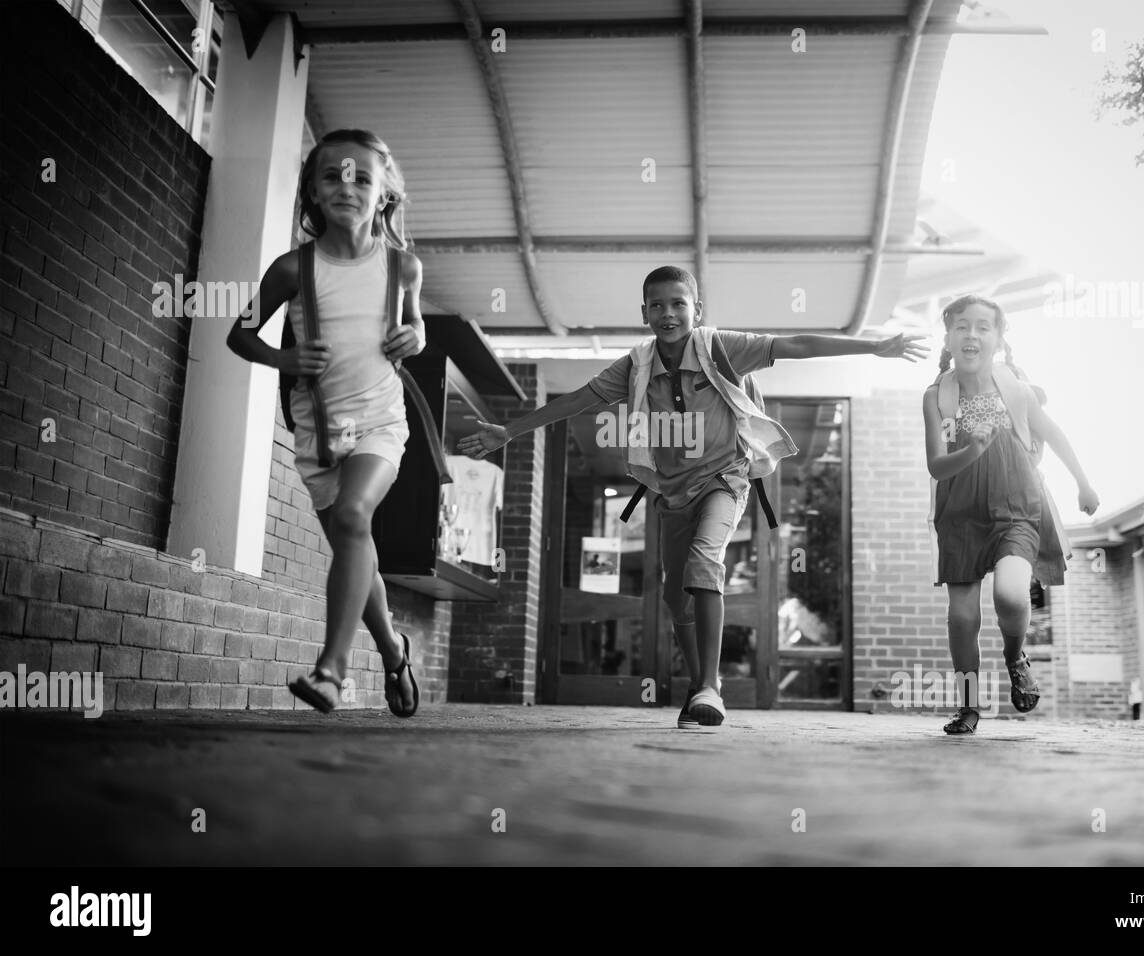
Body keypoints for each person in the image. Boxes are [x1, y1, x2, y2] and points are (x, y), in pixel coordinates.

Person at [459, 265, 928, 729]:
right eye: (658, 305)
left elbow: (797, 345)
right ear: (644, 313)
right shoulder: (637, 365)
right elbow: (578, 400)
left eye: (679, 304)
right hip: (672, 492)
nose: (669, 313)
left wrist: (874, 346)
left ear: (697, 309)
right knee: (673, 597)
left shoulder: (719, 347)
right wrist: (510, 430)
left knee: (706, 561)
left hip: (726, 478)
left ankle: (710, 687)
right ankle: (696, 687)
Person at [226, 129, 424, 717]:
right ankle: (393, 650)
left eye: (363, 177)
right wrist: (283, 359)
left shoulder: (402, 267)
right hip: (319, 430)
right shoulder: (291, 269)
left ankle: (331, 671)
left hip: (380, 421)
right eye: (332, 175)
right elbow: (238, 333)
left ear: (384, 195)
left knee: (354, 515)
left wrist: (414, 336)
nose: (347, 186)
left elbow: (416, 329)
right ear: (311, 191)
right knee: (352, 541)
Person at [923, 294, 1099, 735]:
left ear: (999, 338)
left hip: (1017, 508)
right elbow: (936, 466)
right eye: (962, 325)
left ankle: (1014, 655)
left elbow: (1052, 433)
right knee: (963, 618)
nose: (972, 334)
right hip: (960, 514)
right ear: (948, 336)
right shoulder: (937, 396)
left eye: (984, 326)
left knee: (1011, 596)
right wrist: (972, 448)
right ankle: (968, 706)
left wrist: (1083, 481)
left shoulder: (1016, 389)